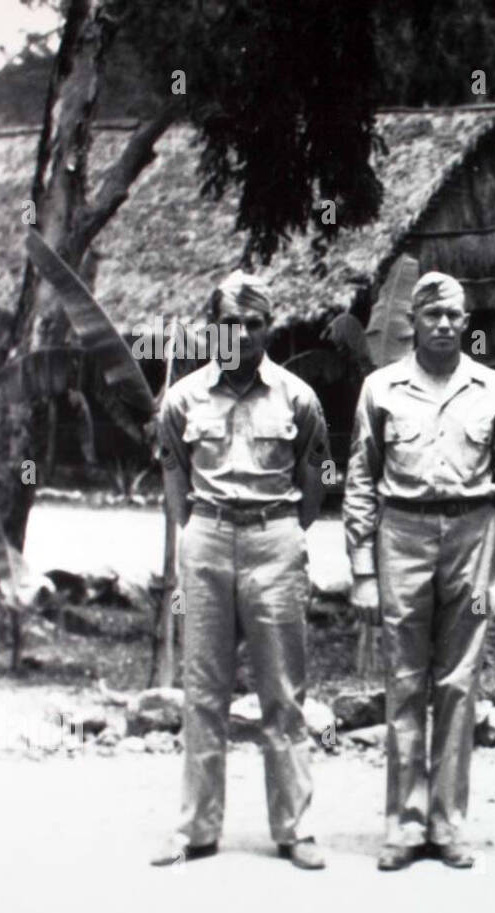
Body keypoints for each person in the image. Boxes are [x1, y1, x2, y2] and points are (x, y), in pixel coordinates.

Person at [345, 271, 495, 871]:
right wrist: (363, 570)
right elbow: (360, 482)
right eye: (433, 316)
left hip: (472, 540)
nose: (446, 325)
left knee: (458, 680)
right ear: (414, 322)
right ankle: (403, 825)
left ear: (465, 321)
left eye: (455, 315)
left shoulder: (492, 389)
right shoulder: (382, 388)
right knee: (404, 681)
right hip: (402, 535)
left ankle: (448, 823)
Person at [151, 271, 329, 870]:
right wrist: (195, 532)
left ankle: (294, 828)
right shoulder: (182, 399)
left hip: (274, 539)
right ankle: (196, 828)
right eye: (233, 323)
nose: (245, 334)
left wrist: (281, 532)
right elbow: (174, 470)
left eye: (256, 324)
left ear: (269, 328)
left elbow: (314, 479)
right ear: (214, 328)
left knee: (282, 693)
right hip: (206, 537)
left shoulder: (298, 398)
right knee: (203, 692)